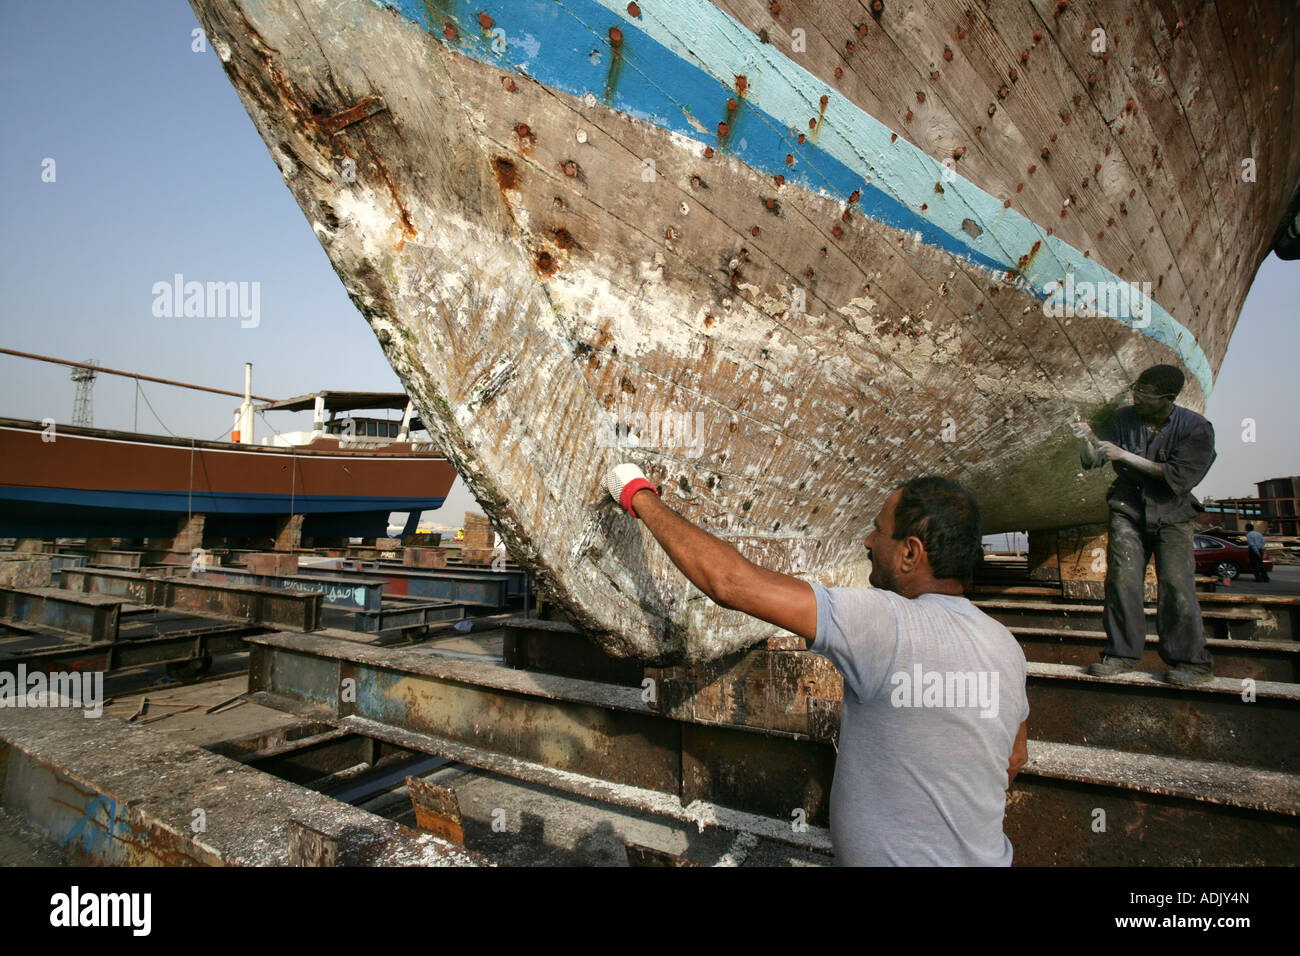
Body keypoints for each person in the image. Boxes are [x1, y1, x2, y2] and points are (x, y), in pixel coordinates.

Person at [603, 466, 1029, 866]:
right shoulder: (1006, 646)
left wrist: (637, 494)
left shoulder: (883, 622)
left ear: (909, 553)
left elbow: (731, 582)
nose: (866, 541)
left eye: (878, 530)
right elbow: (1013, 758)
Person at [1070, 364, 1217, 686]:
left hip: (1173, 514)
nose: (1136, 398)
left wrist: (1125, 456)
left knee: (1176, 585)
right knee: (1122, 581)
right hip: (1128, 508)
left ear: (1168, 399)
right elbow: (1093, 459)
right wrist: (1084, 440)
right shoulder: (1123, 419)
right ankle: (1121, 655)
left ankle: (1191, 663)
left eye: (1145, 395)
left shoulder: (1196, 428)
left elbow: (1179, 477)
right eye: (1136, 390)